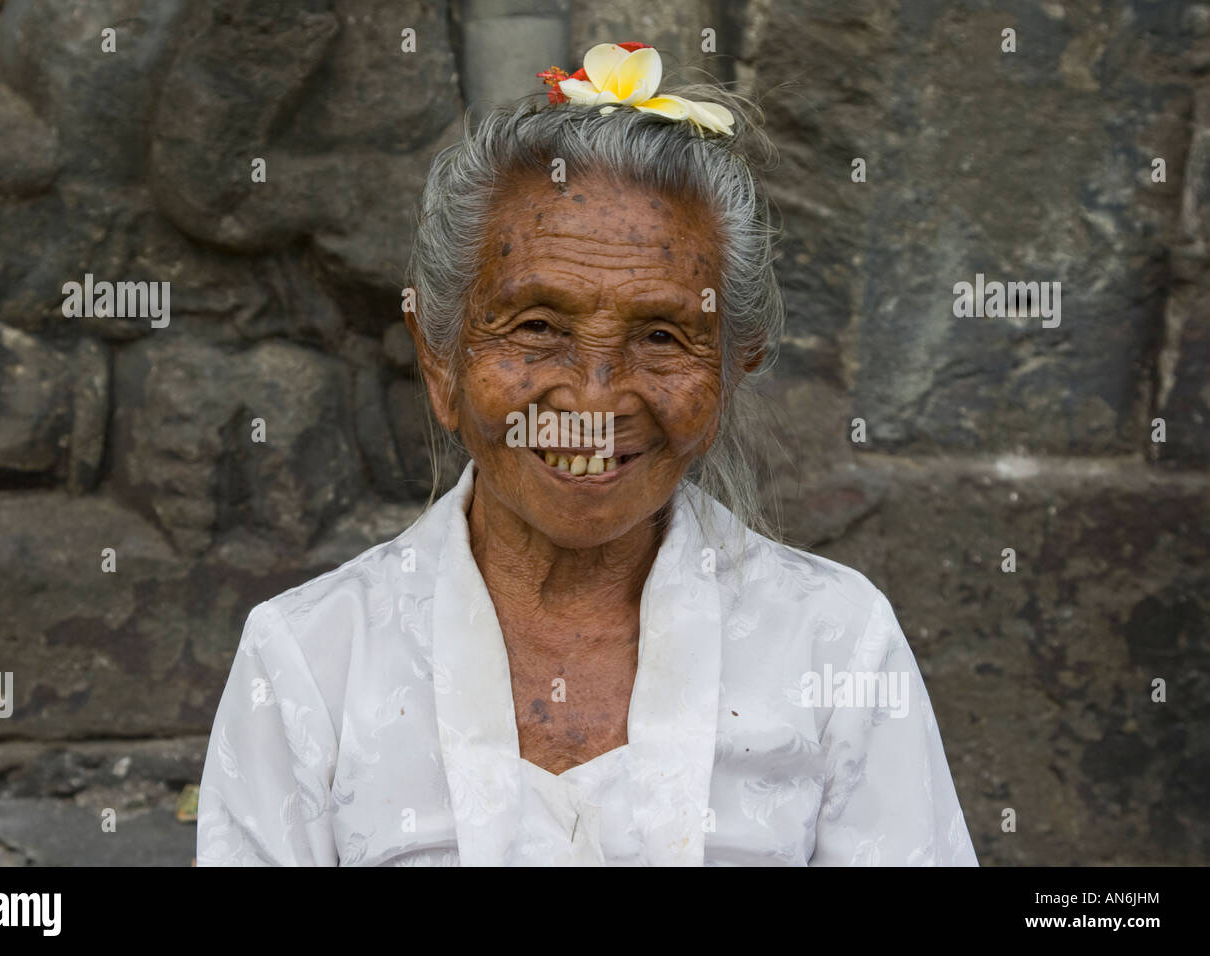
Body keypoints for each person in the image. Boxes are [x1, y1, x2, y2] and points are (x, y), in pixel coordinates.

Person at [197, 42, 978, 866]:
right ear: (440, 360)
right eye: (536, 327)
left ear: (729, 371)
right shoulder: (308, 658)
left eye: (662, 335)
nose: (596, 398)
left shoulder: (834, 643)